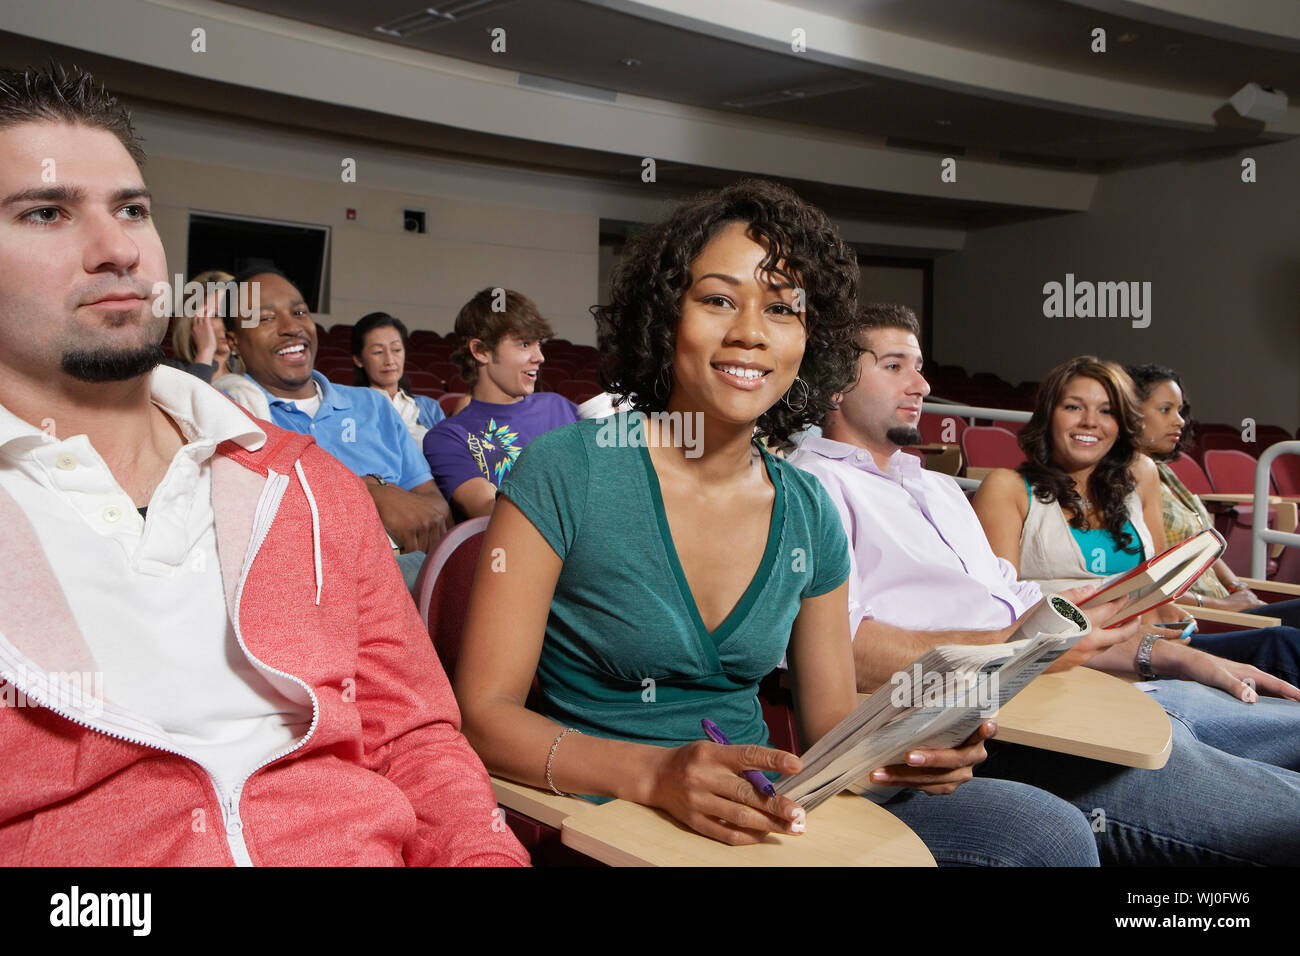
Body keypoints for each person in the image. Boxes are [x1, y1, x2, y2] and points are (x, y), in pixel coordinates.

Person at [453, 180, 1100, 866]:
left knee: (1051, 834)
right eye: (718, 300)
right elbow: (481, 714)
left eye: (783, 308)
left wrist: (902, 747)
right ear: (666, 315)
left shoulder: (807, 508)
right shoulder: (564, 471)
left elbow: (826, 725)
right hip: (609, 815)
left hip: (767, 812)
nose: (750, 333)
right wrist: (651, 775)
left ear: (809, 342)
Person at [0, 64, 526, 865]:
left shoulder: (308, 480)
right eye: (46, 212)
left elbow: (416, 740)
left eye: (132, 210)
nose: (118, 251)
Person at [790, 305, 1300, 865]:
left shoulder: (936, 488)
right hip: (1004, 728)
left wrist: (1170, 658)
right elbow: (841, 649)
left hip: (1090, 693)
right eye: (895, 366)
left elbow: (1031, 611)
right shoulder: (813, 485)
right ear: (835, 384)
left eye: (919, 365)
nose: (922, 383)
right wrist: (1028, 647)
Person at [218, 268, 451, 588]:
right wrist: (367, 491)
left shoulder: (374, 405)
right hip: (305, 586)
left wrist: (386, 498)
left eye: (299, 312)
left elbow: (435, 505)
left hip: (407, 575)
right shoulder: (230, 411)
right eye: (266, 318)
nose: (291, 327)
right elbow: (257, 520)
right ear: (234, 341)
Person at [1126, 362, 1300, 630]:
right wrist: (1225, 606)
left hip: (1224, 604)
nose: (1180, 420)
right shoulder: (1123, 480)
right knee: (1284, 641)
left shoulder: (1163, 471)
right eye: (1165, 410)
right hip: (1196, 617)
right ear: (1131, 413)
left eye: (1180, 410)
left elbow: (1207, 542)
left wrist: (1238, 588)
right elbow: (1147, 588)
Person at [422, 288, 579, 520]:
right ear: (481, 350)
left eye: (539, 344)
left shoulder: (560, 407)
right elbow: (489, 510)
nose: (540, 357)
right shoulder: (449, 437)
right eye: (525, 344)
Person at [350, 310, 445, 443]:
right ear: (358, 359)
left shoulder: (430, 408)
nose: (389, 360)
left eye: (396, 350)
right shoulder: (348, 408)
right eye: (378, 352)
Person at [165, 268, 239, 383]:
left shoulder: (251, 372)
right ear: (191, 320)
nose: (227, 325)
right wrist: (206, 352)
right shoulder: (170, 372)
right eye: (216, 315)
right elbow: (194, 398)